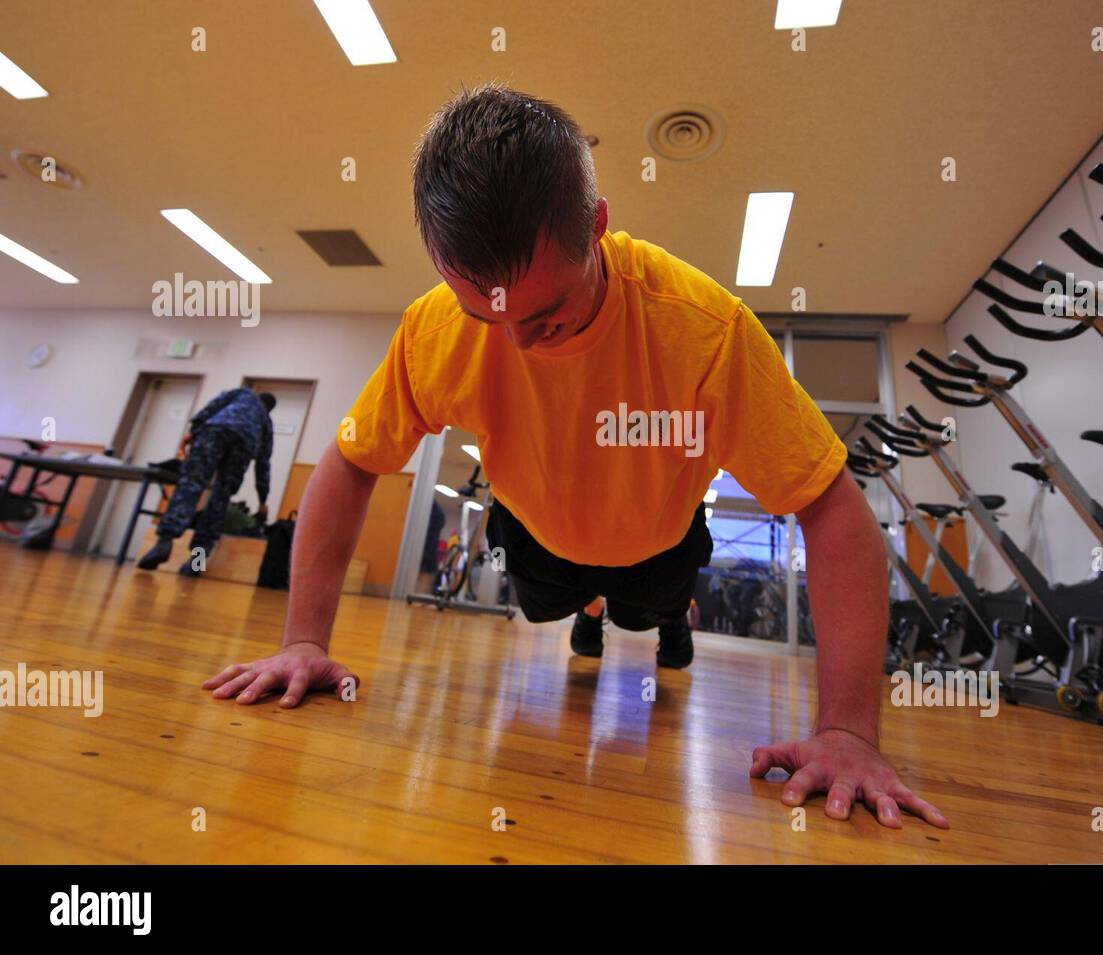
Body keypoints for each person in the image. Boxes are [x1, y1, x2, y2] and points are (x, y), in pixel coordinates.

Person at [201, 85, 946, 829]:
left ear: (596, 227)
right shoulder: (433, 331)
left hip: (659, 541)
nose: (517, 344)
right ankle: (589, 608)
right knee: (552, 605)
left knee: (649, 611)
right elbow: (354, 460)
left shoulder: (704, 331)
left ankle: (665, 622)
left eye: (543, 316)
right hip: (537, 536)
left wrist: (848, 730)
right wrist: (303, 639)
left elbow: (830, 503)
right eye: (481, 315)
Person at [138, 388, 276, 576]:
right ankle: (196, 564)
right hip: (245, 443)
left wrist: (194, 431)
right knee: (220, 500)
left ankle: (164, 543)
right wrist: (262, 500)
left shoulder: (241, 394)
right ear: (269, 410)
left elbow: (211, 407)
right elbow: (263, 465)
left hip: (215, 430)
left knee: (190, 485)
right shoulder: (265, 423)